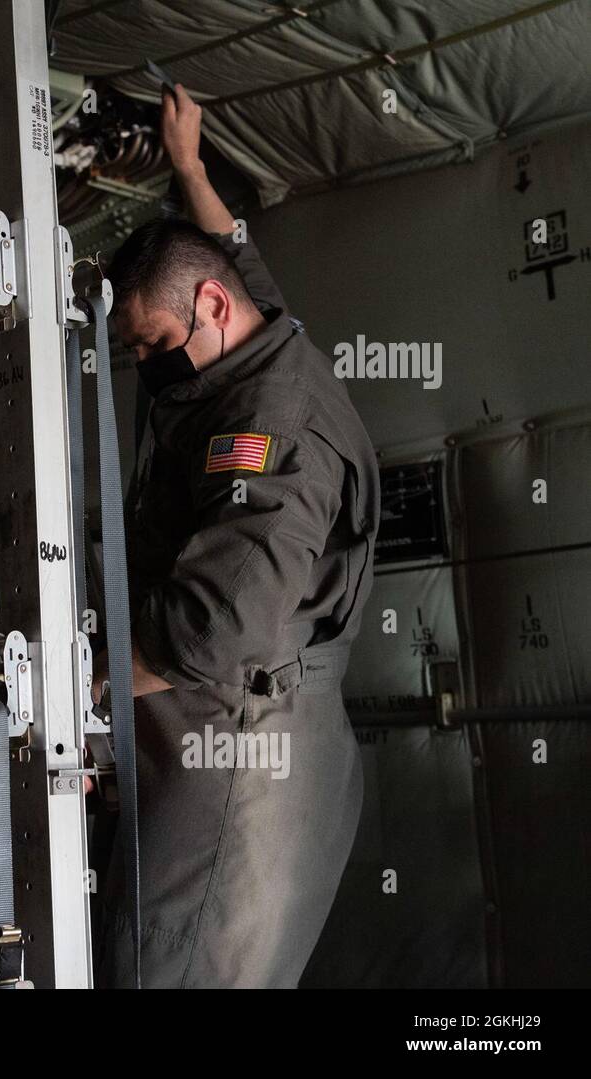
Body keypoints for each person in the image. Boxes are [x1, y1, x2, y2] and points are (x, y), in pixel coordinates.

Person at [98, 85, 380, 988]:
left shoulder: (273, 427)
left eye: (152, 344)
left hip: (243, 750)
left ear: (209, 308)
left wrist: (65, 693)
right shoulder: (252, 329)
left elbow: (211, 631)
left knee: (158, 970)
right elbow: (237, 255)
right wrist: (187, 164)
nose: (147, 368)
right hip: (225, 723)